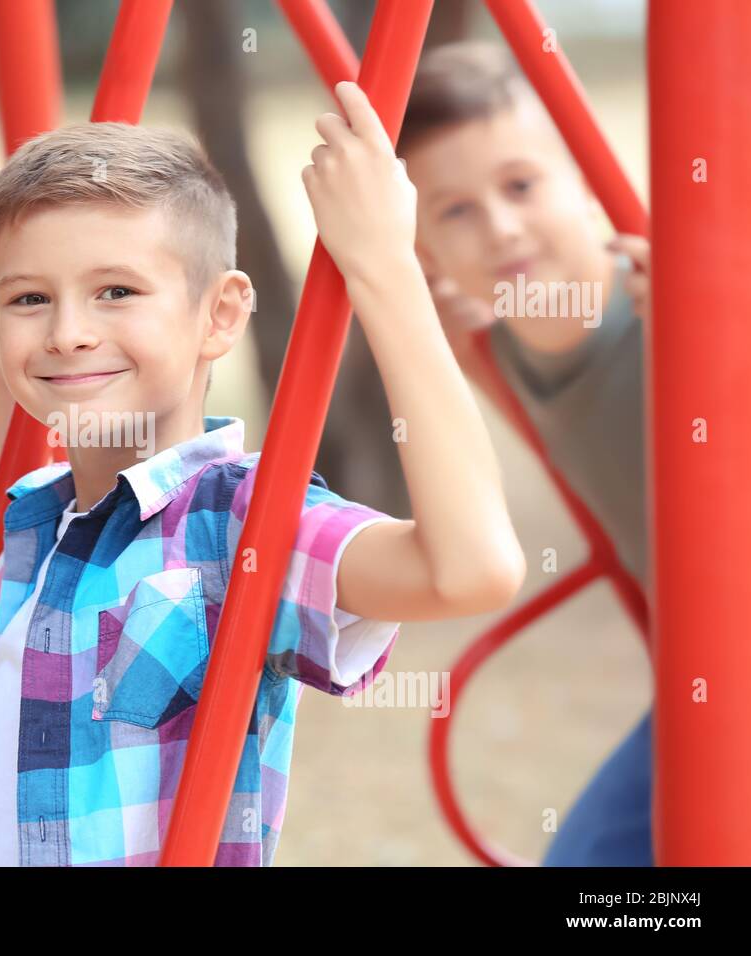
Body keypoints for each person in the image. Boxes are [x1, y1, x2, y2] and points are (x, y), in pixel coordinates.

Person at [0, 81, 526, 866]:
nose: (68, 332)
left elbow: (472, 572)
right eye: (30, 299)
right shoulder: (31, 527)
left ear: (220, 315)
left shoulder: (239, 523)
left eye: (116, 292)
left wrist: (383, 265)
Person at [398, 41, 653, 866]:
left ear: (580, 178)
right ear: (427, 249)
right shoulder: (486, 352)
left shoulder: (673, 295)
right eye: (455, 210)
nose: (501, 227)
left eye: (520, 185)